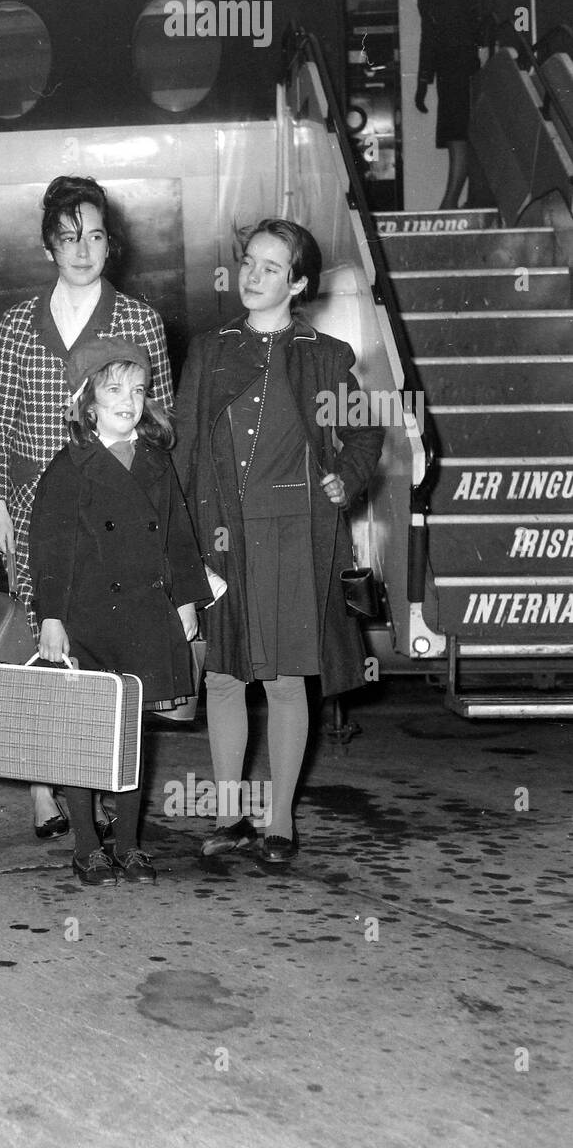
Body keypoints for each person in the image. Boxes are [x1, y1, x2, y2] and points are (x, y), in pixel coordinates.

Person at [172, 219, 384, 867]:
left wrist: (342, 481)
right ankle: (231, 816)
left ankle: (281, 821)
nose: (254, 275)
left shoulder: (322, 355)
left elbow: (366, 433)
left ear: (297, 282)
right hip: (222, 536)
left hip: (295, 538)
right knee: (227, 677)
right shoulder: (211, 350)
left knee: (288, 680)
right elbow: (181, 449)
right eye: (249, 262)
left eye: (271, 267)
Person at [0, 175, 174, 840]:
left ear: (109, 243)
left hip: (117, 512)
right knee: (45, 643)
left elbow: (162, 423)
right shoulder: (15, 324)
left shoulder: (140, 320)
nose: (83, 250)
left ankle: (107, 777)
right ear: (48, 248)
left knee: (112, 651)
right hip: (40, 509)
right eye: (68, 238)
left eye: (94, 236)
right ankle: (42, 786)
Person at [30, 336, 209, 885]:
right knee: (86, 735)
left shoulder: (156, 460)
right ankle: (87, 845)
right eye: (114, 391)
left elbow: (179, 536)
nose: (128, 401)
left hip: (146, 614)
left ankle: (128, 844)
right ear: (87, 402)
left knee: (132, 734)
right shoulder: (69, 467)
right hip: (87, 617)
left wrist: (186, 598)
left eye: (137, 390)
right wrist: (51, 618)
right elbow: (50, 549)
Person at [412, 0, 480, 210]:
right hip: (446, 70)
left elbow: (476, 16)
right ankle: (452, 199)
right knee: (455, 133)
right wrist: (422, 82)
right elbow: (428, 37)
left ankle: (450, 201)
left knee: (459, 133)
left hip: (462, 65)